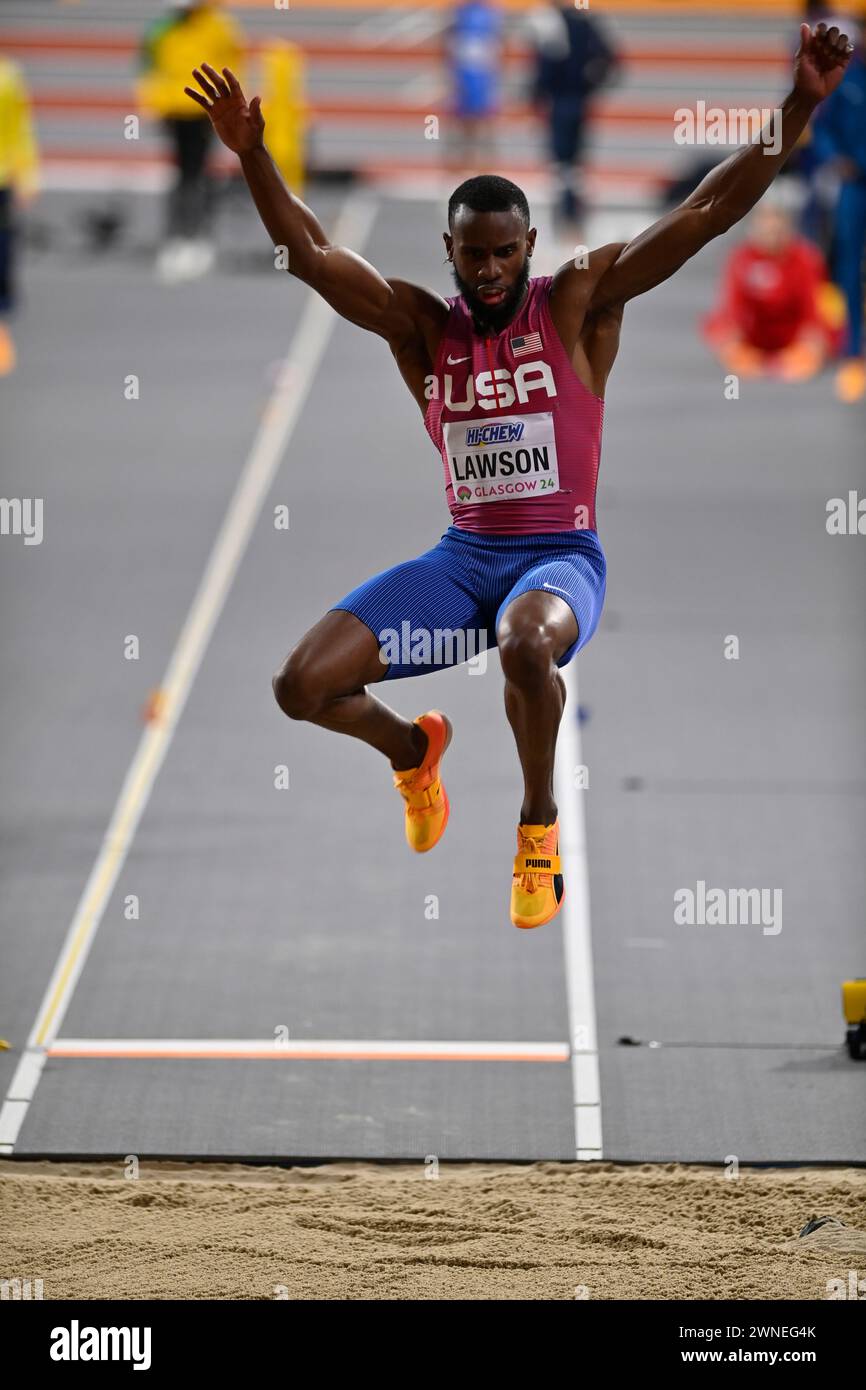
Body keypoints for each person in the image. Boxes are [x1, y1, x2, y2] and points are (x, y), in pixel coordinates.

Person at [185, 24, 853, 930]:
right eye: (474, 254)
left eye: (506, 252)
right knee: (302, 687)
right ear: (451, 250)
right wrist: (256, 156)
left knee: (525, 644)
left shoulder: (579, 302)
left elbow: (705, 213)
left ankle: (536, 831)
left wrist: (803, 103)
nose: (491, 270)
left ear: (529, 245)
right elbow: (309, 253)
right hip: (462, 565)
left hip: (559, 560)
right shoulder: (422, 328)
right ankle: (412, 753)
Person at [137, 0, 244, 282]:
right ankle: (177, 238)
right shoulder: (162, 28)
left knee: (201, 173)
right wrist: (153, 102)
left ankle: (199, 238)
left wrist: (230, 107)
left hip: (206, 112)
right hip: (174, 111)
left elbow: (232, 66)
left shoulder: (219, 26)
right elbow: (150, 66)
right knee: (182, 174)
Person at [702, 198, 843, 380]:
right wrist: (732, 336)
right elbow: (732, 304)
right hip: (755, 334)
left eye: (778, 230)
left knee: (832, 313)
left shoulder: (806, 258)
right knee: (726, 339)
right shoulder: (741, 258)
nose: (773, 237)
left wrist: (815, 336)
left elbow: (814, 303)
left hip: (794, 333)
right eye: (767, 230)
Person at [526, 1, 619, 230]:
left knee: (562, 163)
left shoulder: (549, 22)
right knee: (575, 163)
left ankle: (566, 215)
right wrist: (591, 85)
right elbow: (610, 58)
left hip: (561, 102)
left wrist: (536, 97)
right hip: (578, 101)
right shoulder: (586, 20)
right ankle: (572, 214)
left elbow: (545, 66)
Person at [811, 23, 866, 400]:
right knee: (847, 264)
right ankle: (852, 350)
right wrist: (836, 160)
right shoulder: (847, 80)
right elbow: (822, 127)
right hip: (855, 185)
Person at [0, 55, 39, 376]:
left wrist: (26, 173)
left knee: (2, 248)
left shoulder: (8, 75)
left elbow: (20, 127)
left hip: (2, 175)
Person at [446, 0, 502, 170]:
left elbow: (498, 43)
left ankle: (486, 165)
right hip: (464, 73)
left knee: (486, 120)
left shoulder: (491, 12)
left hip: (485, 74)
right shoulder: (459, 12)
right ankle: (461, 164)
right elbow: (449, 43)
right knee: (462, 121)